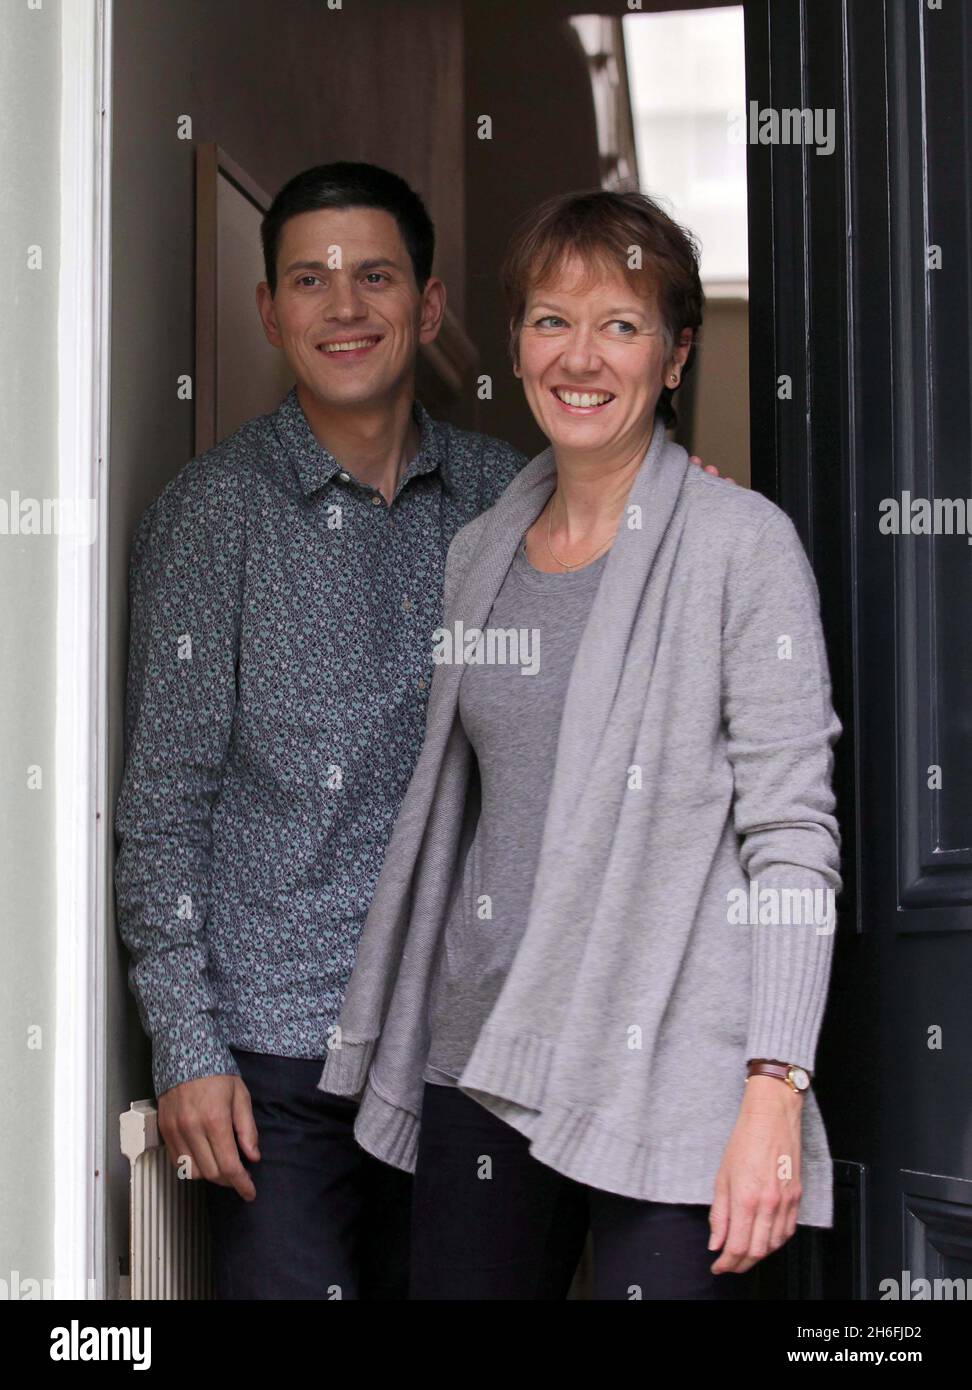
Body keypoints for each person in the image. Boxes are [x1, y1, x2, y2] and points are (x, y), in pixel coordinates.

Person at [113, 157, 729, 1300]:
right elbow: (161, 807)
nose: (344, 307)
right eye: (309, 279)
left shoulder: (515, 498)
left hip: (465, 1052)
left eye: (375, 276)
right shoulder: (208, 516)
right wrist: (187, 1044)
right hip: (278, 1057)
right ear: (270, 310)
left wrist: (700, 506)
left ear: (429, 306)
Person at [318, 188, 843, 1301]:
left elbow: (792, 835)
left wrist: (774, 1087)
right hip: (483, 1048)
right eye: (552, 319)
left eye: (622, 323)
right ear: (514, 345)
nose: (582, 356)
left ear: (676, 354)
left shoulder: (741, 546)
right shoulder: (480, 551)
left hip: (672, 1063)